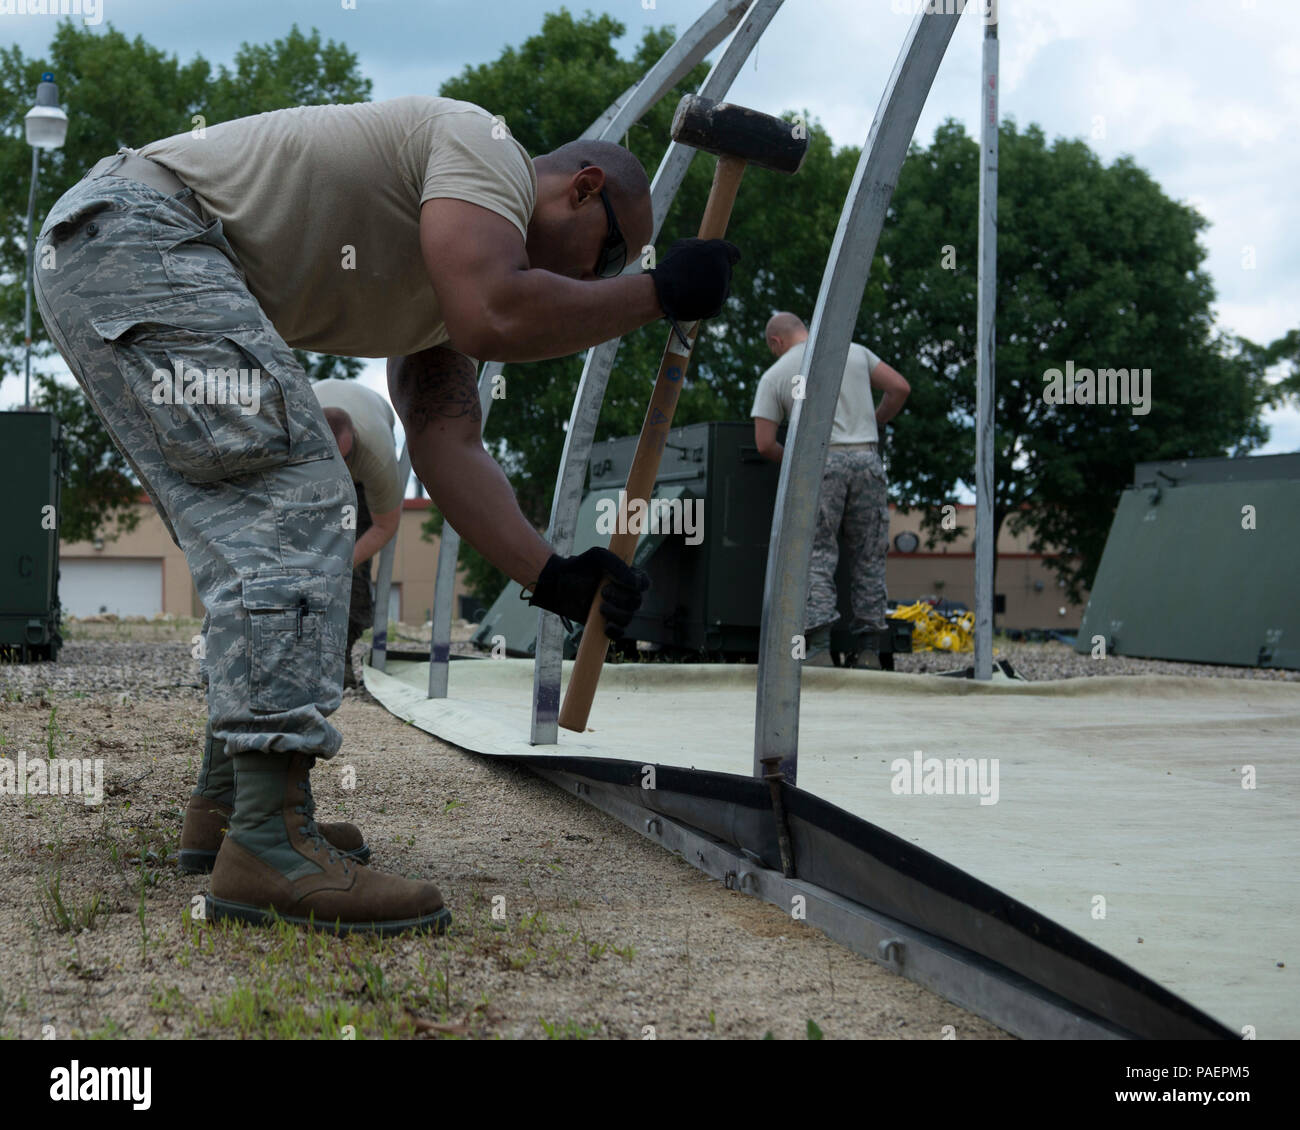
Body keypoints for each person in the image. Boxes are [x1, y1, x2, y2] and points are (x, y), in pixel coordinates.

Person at [35, 95, 738, 934]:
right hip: (141, 232)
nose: (594, 281)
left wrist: (552, 575)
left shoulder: (448, 277)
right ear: (583, 189)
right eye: (608, 256)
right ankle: (269, 843)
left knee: (248, 520)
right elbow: (501, 312)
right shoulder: (488, 149)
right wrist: (657, 295)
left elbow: (448, 444)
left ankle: (230, 809)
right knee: (297, 494)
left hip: (116, 250)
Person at [751, 312, 910, 666]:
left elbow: (763, 444)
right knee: (869, 553)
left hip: (821, 464)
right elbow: (900, 387)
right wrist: (876, 419)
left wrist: (797, 462)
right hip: (868, 460)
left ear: (776, 342)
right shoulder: (853, 352)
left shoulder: (775, 375)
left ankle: (820, 648)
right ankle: (868, 649)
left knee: (817, 552)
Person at [311, 380, 403, 690]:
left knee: (352, 569)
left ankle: (340, 656)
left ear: (353, 448)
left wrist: (339, 564)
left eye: (342, 461)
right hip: (307, 467)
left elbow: (385, 527)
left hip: (364, 473)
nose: (337, 470)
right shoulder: (288, 433)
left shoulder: (376, 458)